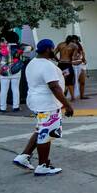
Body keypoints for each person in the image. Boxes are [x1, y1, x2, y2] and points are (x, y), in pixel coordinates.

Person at [12, 39, 75, 176]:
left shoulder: (33, 63)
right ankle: (43, 165)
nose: (54, 51)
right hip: (47, 105)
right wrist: (67, 105)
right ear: (48, 49)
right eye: (52, 48)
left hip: (36, 103)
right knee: (46, 135)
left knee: (41, 130)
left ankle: (24, 156)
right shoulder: (47, 65)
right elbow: (54, 87)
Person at [0, 33, 25, 112]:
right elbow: (31, 48)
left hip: (4, 71)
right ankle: (16, 107)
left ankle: (2, 108)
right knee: (15, 89)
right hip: (16, 71)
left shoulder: (1, 48)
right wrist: (20, 44)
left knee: (4, 90)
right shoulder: (20, 48)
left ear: (6, 39)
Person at [54, 37, 79, 104]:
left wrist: (57, 60)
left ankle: (62, 97)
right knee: (69, 81)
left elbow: (53, 54)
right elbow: (74, 57)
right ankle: (72, 97)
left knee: (61, 80)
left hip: (60, 65)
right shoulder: (74, 46)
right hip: (68, 64)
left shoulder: (60, 44)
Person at [68, 35, 89, 100]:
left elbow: (82, 53)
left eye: (76, 39)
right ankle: (72, 96)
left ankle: (81, 95)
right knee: (73, 82)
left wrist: (84, 59)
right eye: (73, 40)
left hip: (81, 65)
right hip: (73, 65)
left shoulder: (79, 46)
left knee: (82, 81)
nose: (75, 41)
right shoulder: (69, 47)